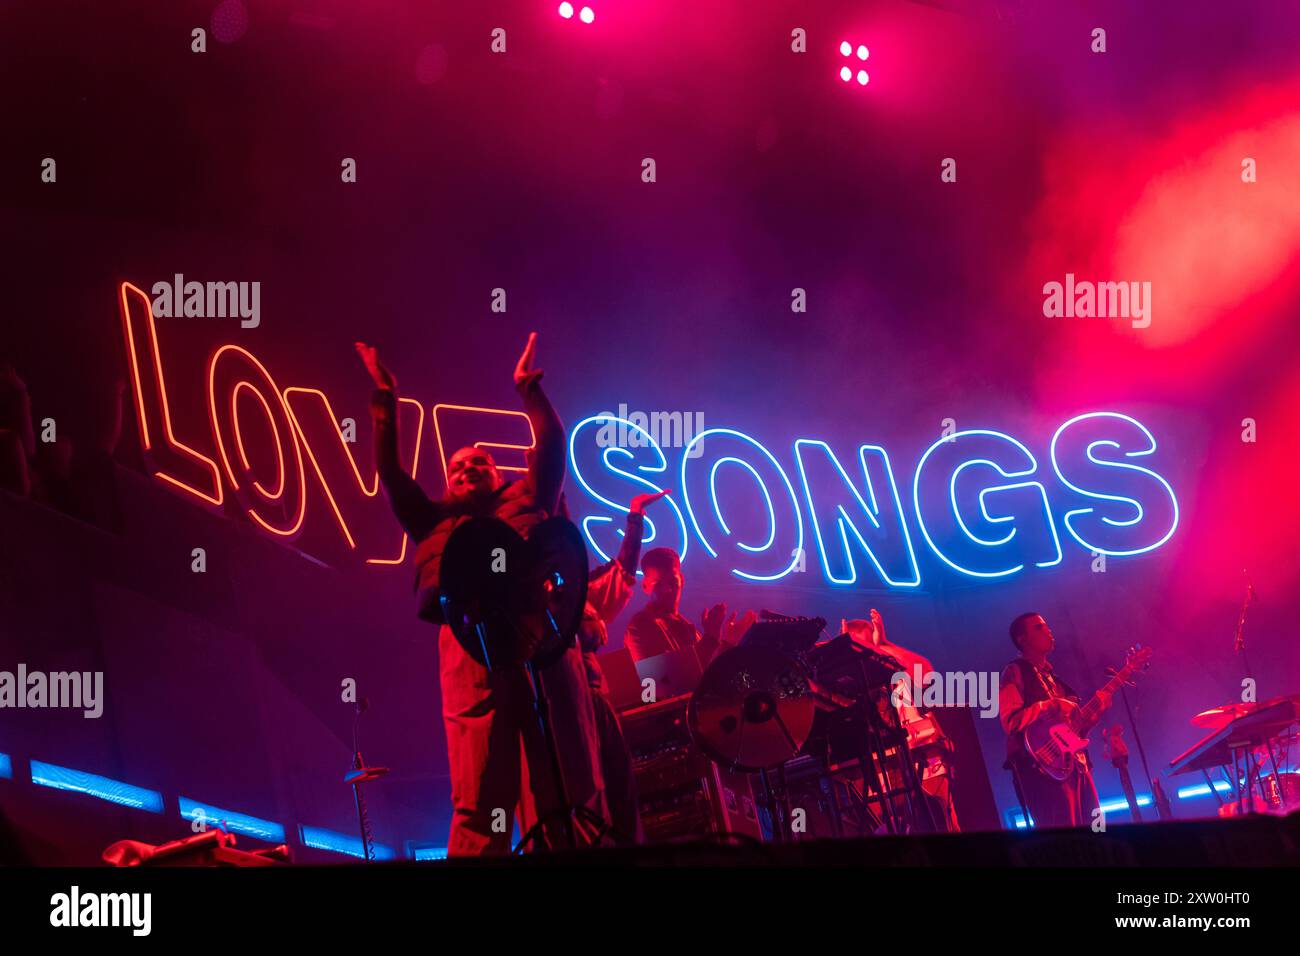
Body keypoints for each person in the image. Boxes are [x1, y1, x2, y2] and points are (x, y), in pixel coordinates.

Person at [356, 334, 607, 856]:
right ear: (448, 484)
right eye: (457, 467)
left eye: (480, 462)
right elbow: (392, 477)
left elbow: (554, 448)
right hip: (469, 646)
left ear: (499, 473)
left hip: (541, 641)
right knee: (479, 792)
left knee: (566, 781)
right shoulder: (434, 522)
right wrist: (386, 400)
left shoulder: (527, 495)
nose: (469, 468)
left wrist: (529, 391)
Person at [568, 488, 669, 844]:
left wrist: (635, 516)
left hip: (596, 697)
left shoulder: (581, 590)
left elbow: (622, 569)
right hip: (557, 706)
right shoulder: (523, 590)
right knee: (583, 796)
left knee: (620, 790)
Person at [999, 612, 1108, 828]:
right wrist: (1052, 704)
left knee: (1096, 829)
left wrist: (1094, 715)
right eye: (1039, 627)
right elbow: (1011, 722)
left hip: (1077, 765)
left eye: (1047, 625)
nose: (1048, 631)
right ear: (1022, 639)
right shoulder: (1014, 672)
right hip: (1043, 770)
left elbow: (1075, 730)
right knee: (1065, 836)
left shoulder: (1056, 681)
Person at [622, 546, 754, 663]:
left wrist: (728, 641)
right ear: (645, 586)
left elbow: (709, 676)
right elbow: (660, 682)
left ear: (682, 580)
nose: (667, 589)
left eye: (672, 581)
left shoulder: (686, 627)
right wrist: (711, 639)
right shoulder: (641, 626)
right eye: (658, 584)